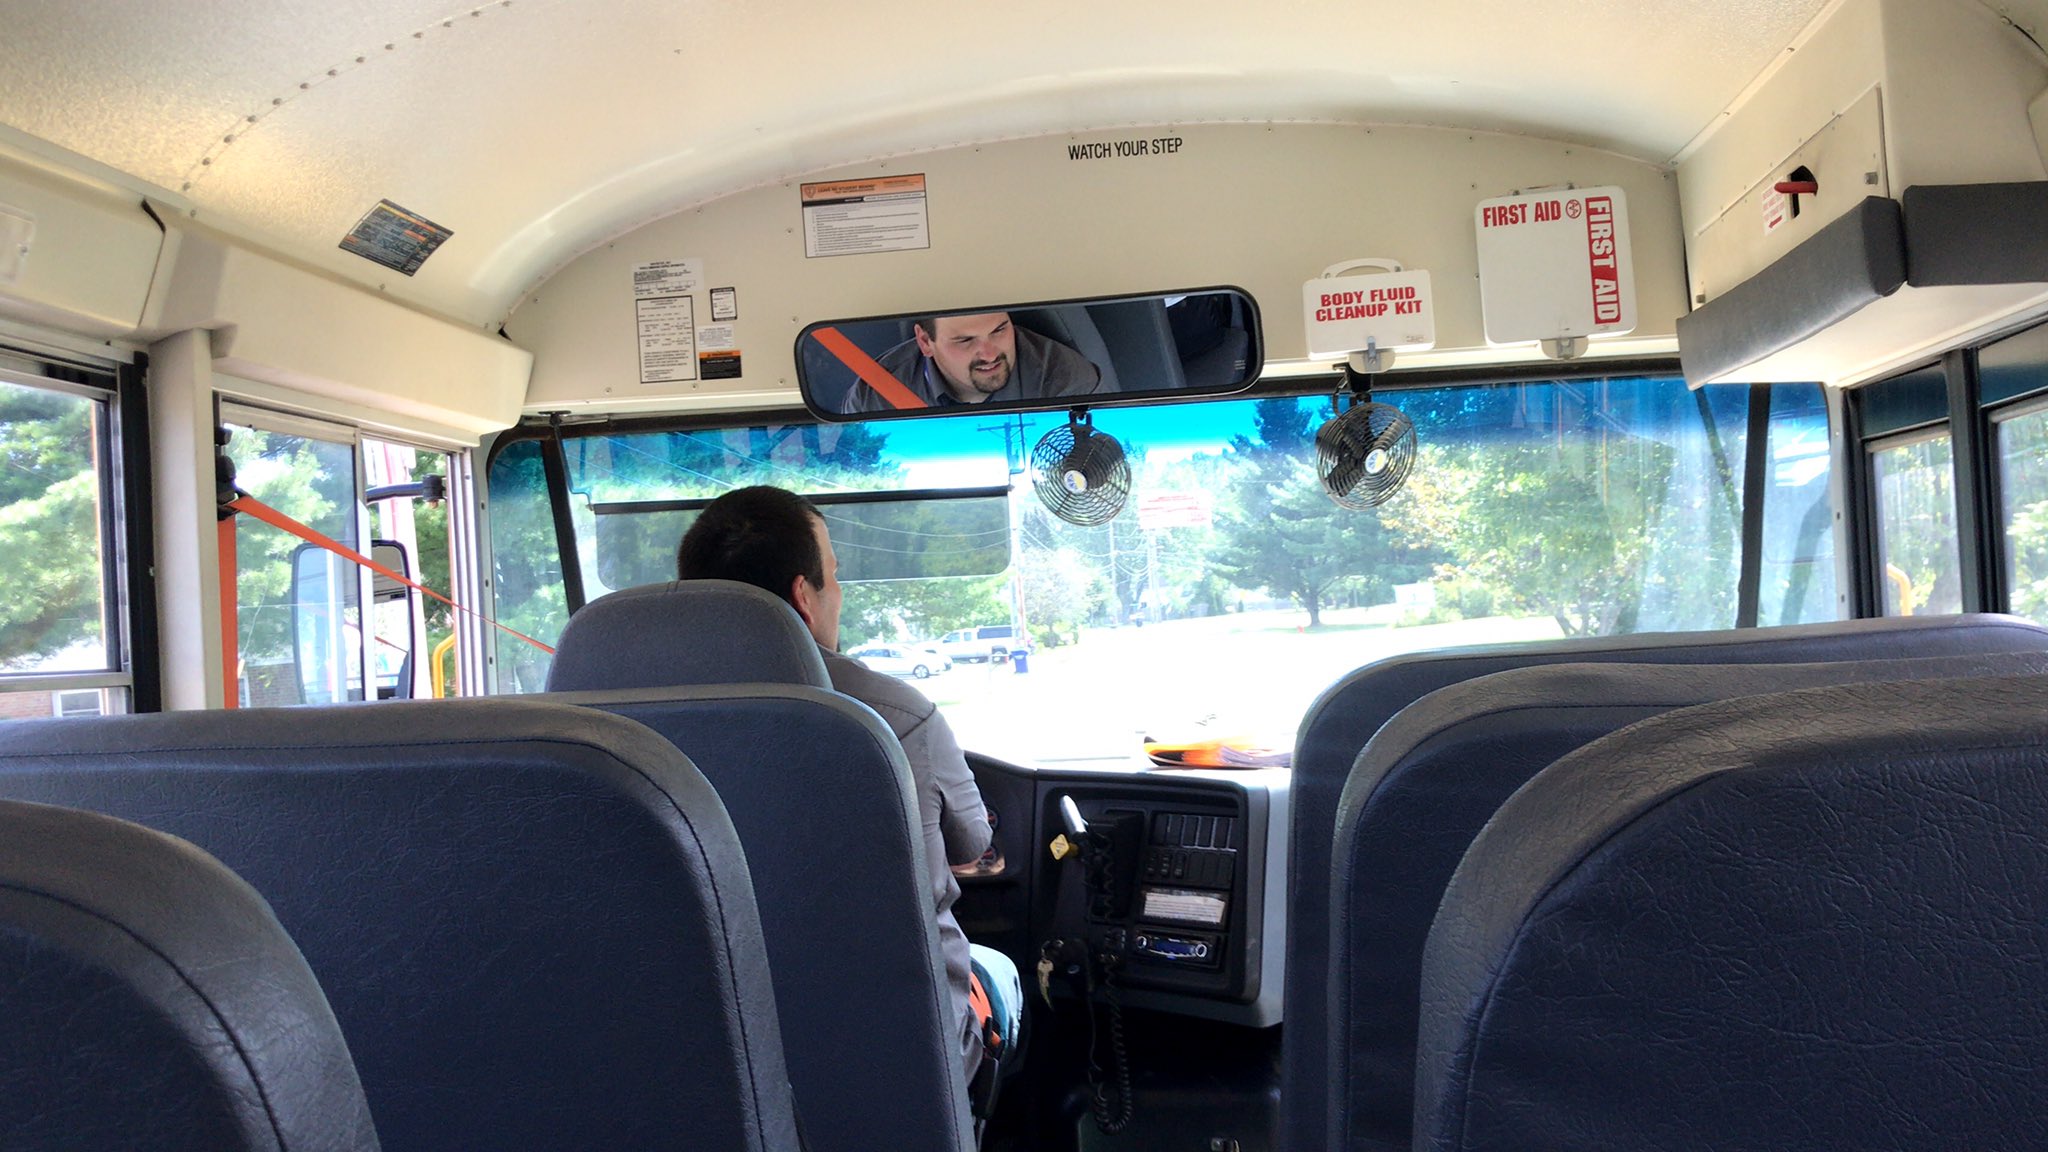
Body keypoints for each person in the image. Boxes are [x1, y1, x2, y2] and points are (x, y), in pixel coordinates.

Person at [674, 485, 1018, 1090]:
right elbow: (970, 850)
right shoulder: (897, 713)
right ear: (804, 598)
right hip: (892, 1048)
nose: (839, 594)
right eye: (834, 577)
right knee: (1002, 978)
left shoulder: (599, 720)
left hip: (696, 1045)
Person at [839, 311, 1102, 413]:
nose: (989, 354)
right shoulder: (877, 395)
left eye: (999, 330)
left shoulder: (1064, 379)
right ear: (924, 342)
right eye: (965, 341)